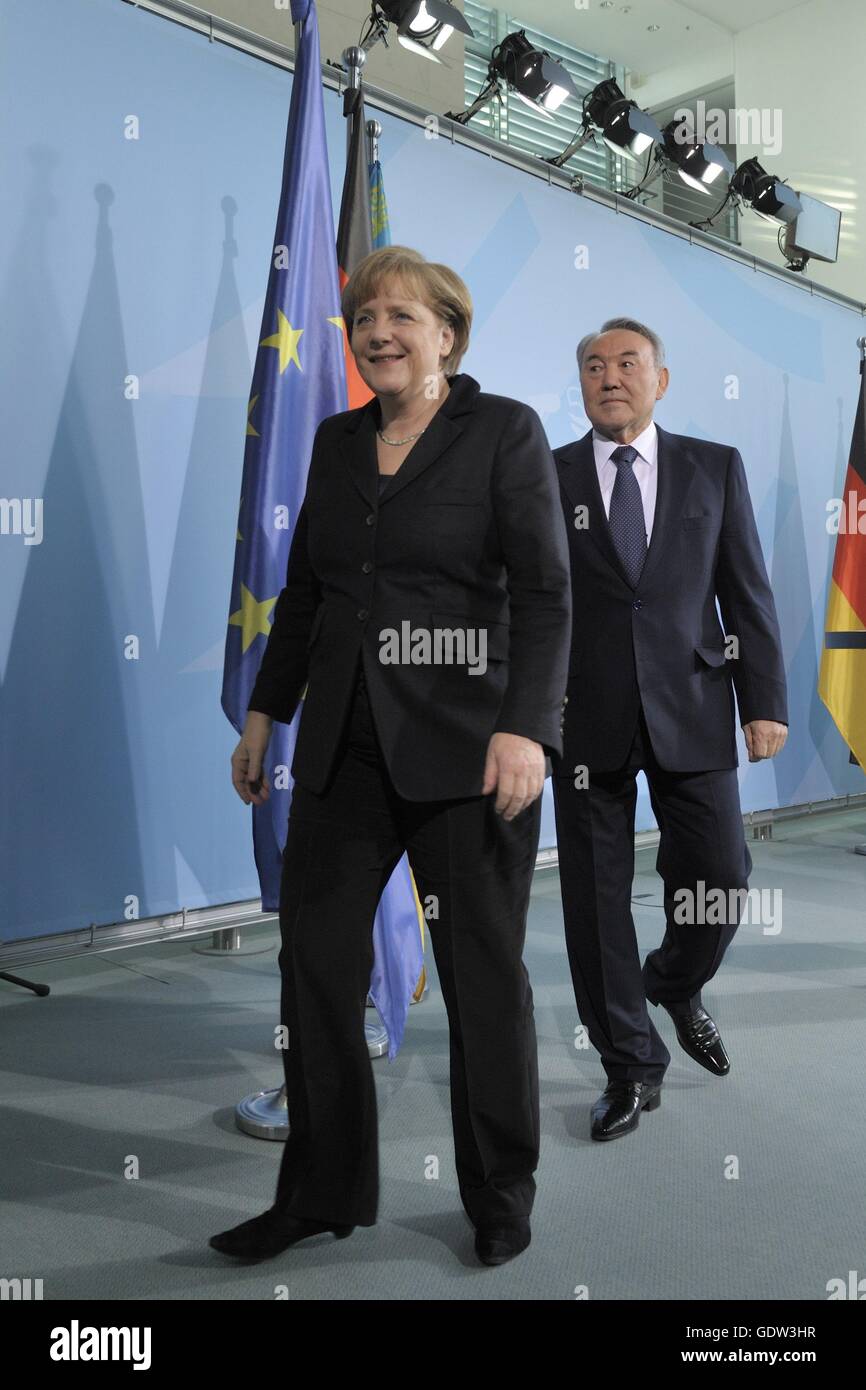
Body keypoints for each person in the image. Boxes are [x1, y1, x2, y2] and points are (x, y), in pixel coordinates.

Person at [210, 246, 571, 1265]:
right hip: (342, 754)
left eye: (401, 316)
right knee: (315, 971)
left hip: (470, 754)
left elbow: (543, 593)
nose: (378, 332)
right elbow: (309, 595)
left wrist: (525, 726)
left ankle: (498, 1193)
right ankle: (319, 1190)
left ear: (445, 335)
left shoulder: (501, 432)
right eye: (365, 316)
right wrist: (261, 716)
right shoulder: (333, 442)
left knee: (480, 980)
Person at [552, 317, 788, 1142]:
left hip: (693, 706)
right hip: (584, 721)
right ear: (580, 383)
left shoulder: (712, 468)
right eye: (593, 366)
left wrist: (765, 701)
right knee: (593, 899)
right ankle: (631, 1065)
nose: (609, 377)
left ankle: (676, 982)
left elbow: (745, 592)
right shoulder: (548, 477)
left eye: (627, 363)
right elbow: (537, 607)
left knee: (720, 874)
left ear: (661, 380)